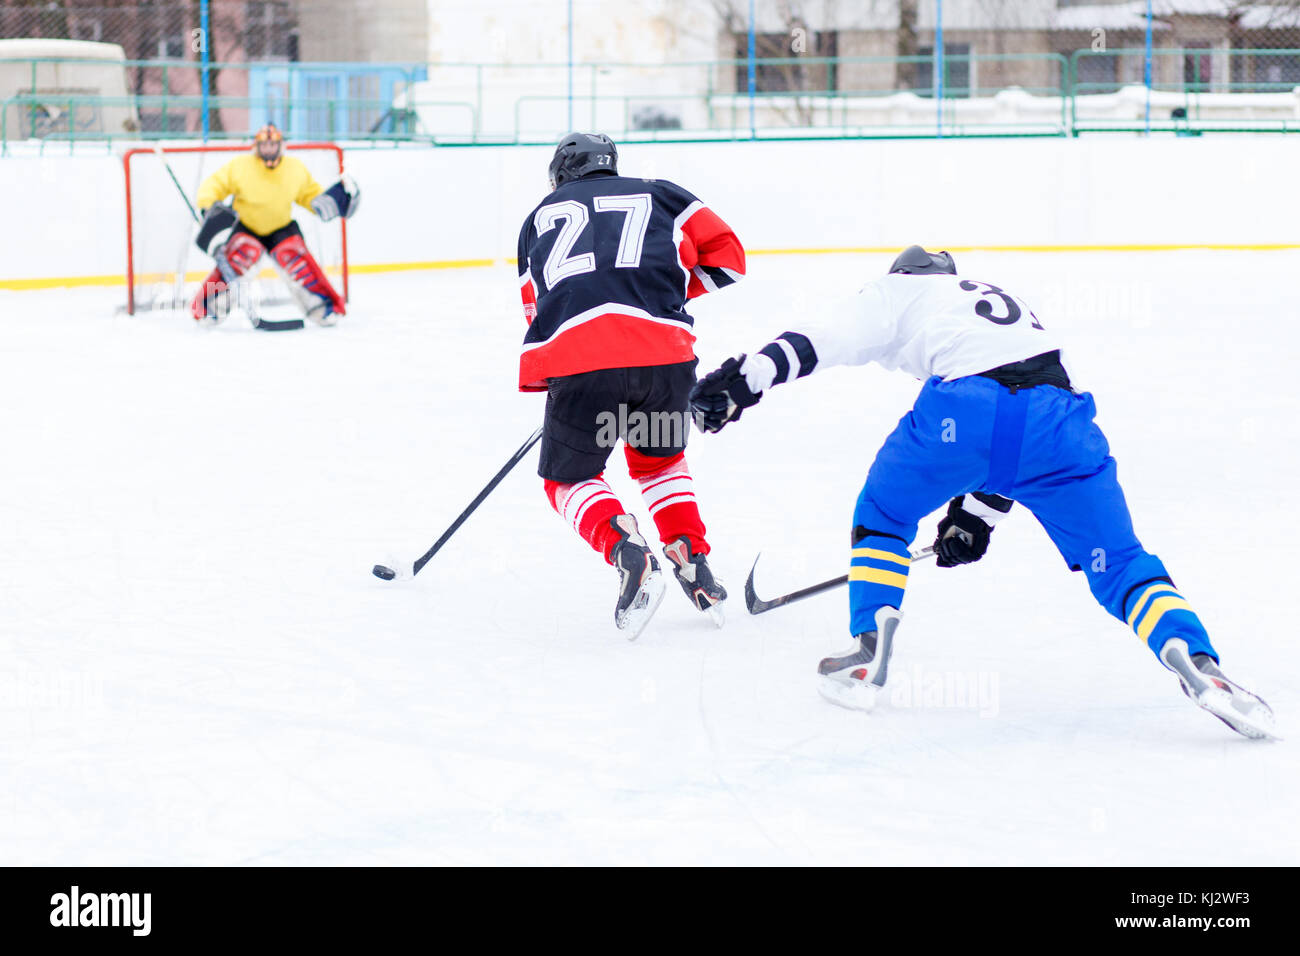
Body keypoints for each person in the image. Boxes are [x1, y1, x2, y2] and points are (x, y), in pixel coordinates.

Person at [688, 245, 1275, 739]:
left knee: (885, 517)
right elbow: (1016, 428)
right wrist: (976, 515)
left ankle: (870, 647)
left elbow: (826, 338)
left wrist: (744, 380)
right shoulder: (992, 298)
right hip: (1060, 422)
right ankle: (1195, 658)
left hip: (962, 413)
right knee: (1121, 563)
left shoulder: (900, 290)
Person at [516, 132, 746, 638]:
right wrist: (656, 294)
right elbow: (729, 259)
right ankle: (691, 555)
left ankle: (625, 547)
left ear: (561, 174)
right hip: (663, 359)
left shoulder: (539, 217)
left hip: (581, 362)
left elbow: (537, 309)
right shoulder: (663, 193)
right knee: (659, 464)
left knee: (568, 479)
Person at [190, 124, 359, 326]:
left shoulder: (294, 168)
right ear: (256, 146)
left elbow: (310, 196)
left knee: (296, 260)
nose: (269, 149)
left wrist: (333, 201)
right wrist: (208, 207)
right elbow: (214, 185)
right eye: (265, 145)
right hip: (247, 226)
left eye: (273, 144)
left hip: (281, 227)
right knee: (238, 259)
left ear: (281, 145)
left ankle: (324, 310)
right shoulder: (240, 166)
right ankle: (209, 309)